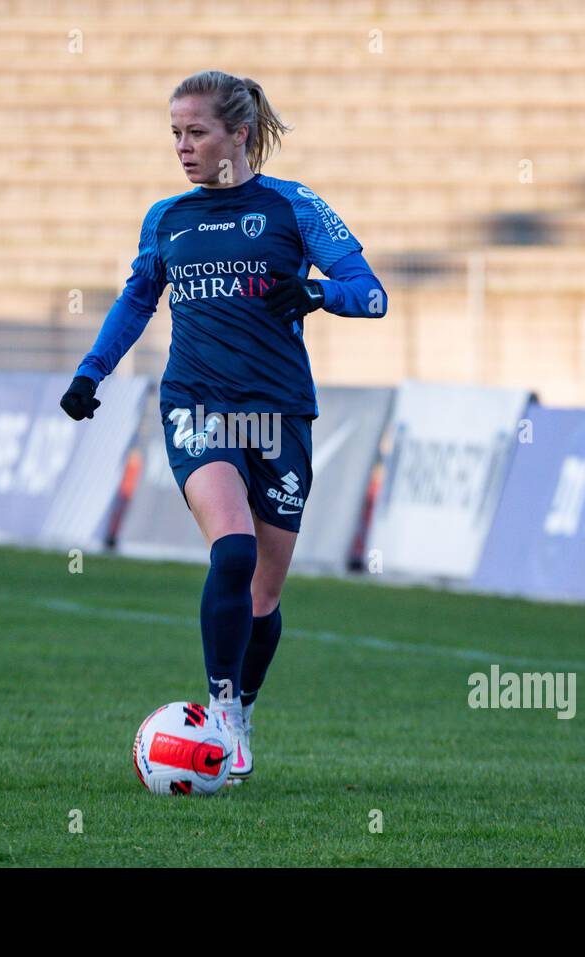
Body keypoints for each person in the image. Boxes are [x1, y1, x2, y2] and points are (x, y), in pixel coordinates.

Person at [60, 71, 387, 784]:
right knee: (232, 550)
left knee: (265, 593)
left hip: (279, 417)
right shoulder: (166, 218)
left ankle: (243, 707)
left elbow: (374, 296)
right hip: (196, 406)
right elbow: (137, 301)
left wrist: (319, 292)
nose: (182, 146)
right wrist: (92, 371)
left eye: (196, 131)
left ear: (239, 135)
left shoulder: (293, 207)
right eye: (175, 132)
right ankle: (218, 703)